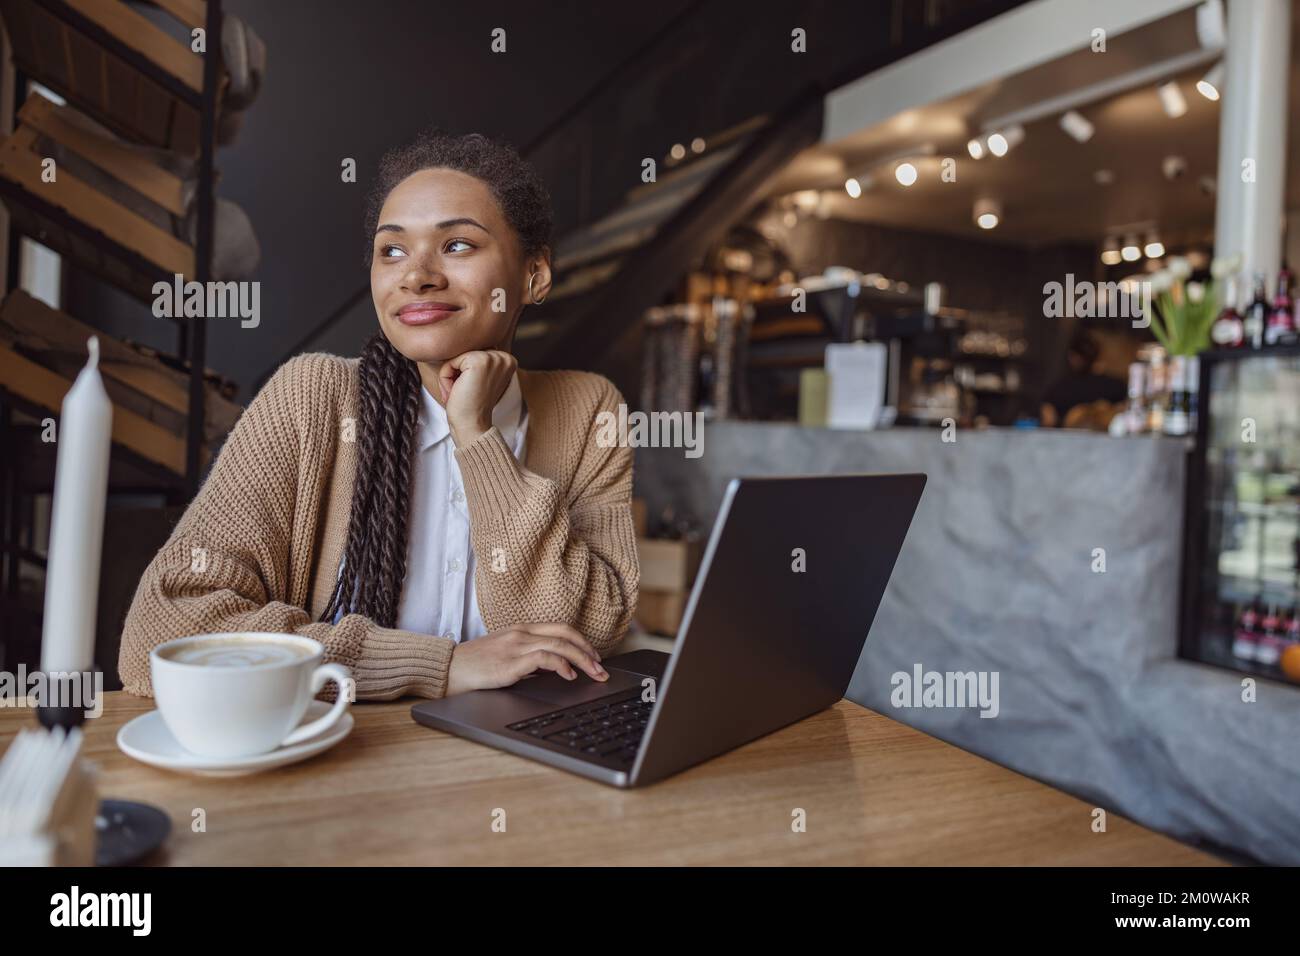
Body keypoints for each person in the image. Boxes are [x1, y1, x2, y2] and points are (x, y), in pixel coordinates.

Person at [118, 129, 640, 700]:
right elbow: (165, 629)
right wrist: (436, 666)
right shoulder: (312, 397)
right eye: (392, 250)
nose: (415, 275)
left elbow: (586, 638)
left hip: (521, 761)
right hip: (346, 760)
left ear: (534, 276)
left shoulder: (588, 409)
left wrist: (476, 436)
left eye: (457, 244)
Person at [1039, 327, 1127, 428]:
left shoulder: (1058, 389)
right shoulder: (1116, 386)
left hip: (1067, 441)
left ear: (1072, 357)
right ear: (1098, 356)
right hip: (1107, 441)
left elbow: (1048, 421)